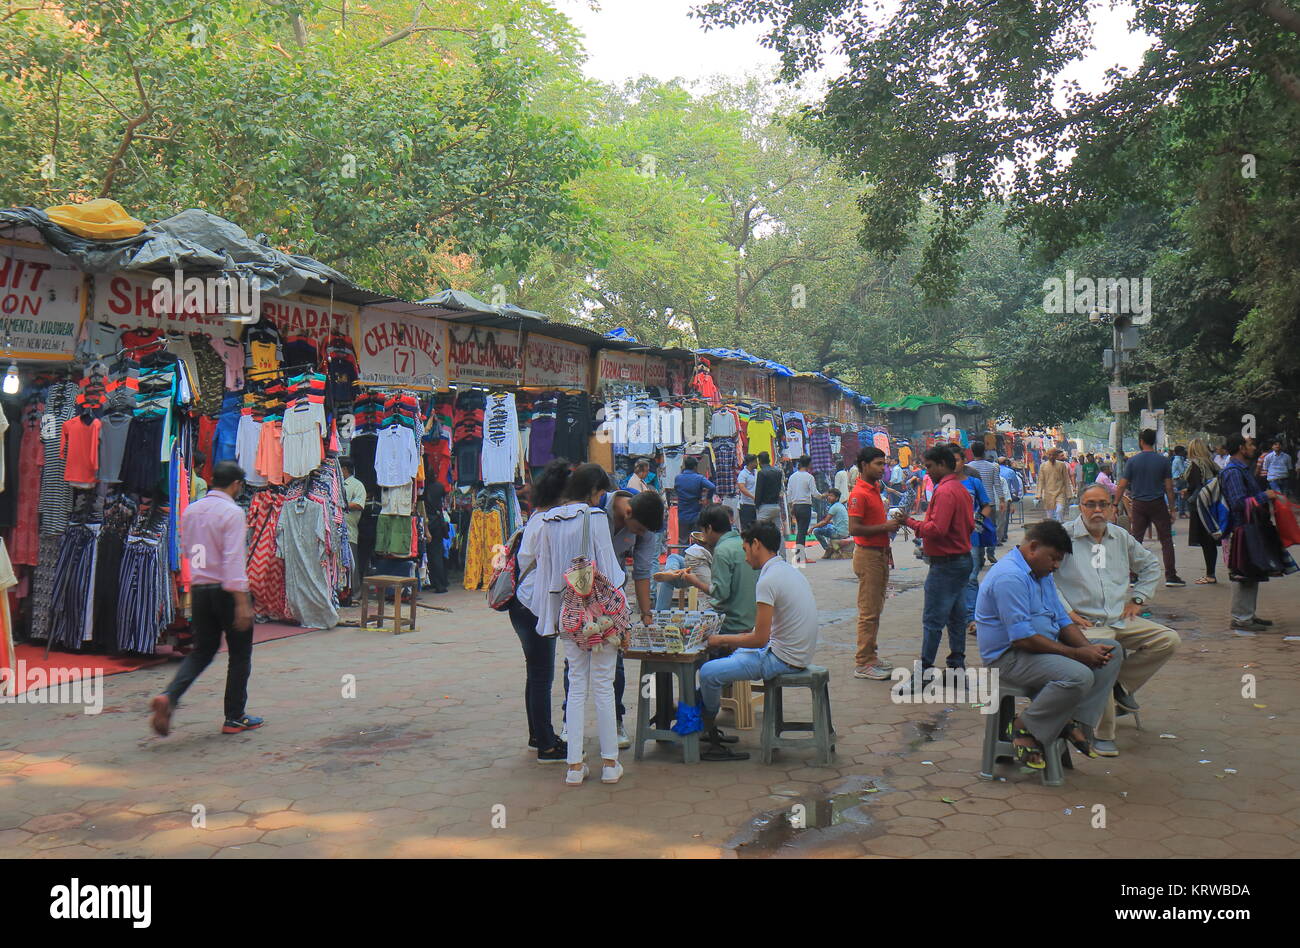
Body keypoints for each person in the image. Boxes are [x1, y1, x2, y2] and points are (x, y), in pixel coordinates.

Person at [974, 520, 1124, 768]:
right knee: (1079, 675)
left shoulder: (1040, 573)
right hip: (1009, 658)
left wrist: (1087, 649)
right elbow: (1023, 638)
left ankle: (1072, 721)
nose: (1055, 566)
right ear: (1033, 547)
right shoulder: (1010, 577)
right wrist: (1078, 654)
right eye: (1053, 559)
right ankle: (1024, 726)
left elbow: (1062, 620)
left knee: (1111, 652)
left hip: (1038, 649)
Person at [1053, 484, 1181, 757]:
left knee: (1168, 639)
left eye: (1103, 504)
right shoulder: (1063, 537)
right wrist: (1065, 611)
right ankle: (1103, 735)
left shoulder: (1120, 536)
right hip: (1085, 625)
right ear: (1080, 507)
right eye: (1091, 504)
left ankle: (1121, 687)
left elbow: (1150, 566)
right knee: (1105, 656)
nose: (1097, 510)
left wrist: (1138, 599)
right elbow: (1043, 578)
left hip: (1119, 619)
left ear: (1113, 507)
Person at [523, 462, 628, 786]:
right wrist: (620, 615)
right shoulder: (594, 518)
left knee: (577, 685)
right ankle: (610, 763)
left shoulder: (548, 520)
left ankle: (574, 766)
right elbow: (611, 572)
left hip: (568, 615)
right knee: (603, 686)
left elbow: (547, 574)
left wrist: (549, 618)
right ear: (595, 492)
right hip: (600, 617)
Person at [150, 462, 261, 736]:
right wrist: (241, 601)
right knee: (240, 653)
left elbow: (189, 551)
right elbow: (233, 559)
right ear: (236, 484)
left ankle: (170, 696)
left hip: (200, 588)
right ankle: (234, 716)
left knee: (202, 651)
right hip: (226, 589)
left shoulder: (192, 510)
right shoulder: (232, 513)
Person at [696, 522, 819, 762]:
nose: (744, 557)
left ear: (756, 544)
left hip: (783, 659)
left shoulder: (768, 580)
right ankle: (706, 727)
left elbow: (759, 638)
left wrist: (719, 639)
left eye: (745, 549)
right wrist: (735, 641)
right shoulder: (786, 570)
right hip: (794, 652)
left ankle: (706, 728)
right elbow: (762, 633)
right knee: (735, 654)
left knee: (709, 672)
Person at [587, 484, 665, 747]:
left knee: (614, 656)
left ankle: (616, 721)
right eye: (639, 529)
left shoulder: (645, 527)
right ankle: (567, 722)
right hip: (583, 590)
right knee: (576, 660)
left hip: (613, 592)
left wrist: (646, 615)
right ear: (628, 511)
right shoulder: (596, 508)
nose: (640, 535)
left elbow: (642, 572)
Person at [510, 460, 571, 762]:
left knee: (535, 674)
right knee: (541, 676)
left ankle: (538, 735)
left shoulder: (538, 517)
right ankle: (546, 743)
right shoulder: (550, 523)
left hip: (523, 604)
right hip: (533, 606)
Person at [895, 445, 974, 675]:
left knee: (933, 620)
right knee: (956, 616)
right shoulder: (959, 488)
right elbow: (969, 525)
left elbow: (937, 529)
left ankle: (925, 670)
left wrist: (909, 522)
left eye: (929, 466)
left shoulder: (945, 491)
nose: (926, 472)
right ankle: (956, 665)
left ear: (941, 464)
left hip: (946, 563)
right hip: (959, 559)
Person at [847, 446, 901, 680]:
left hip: (879, 554)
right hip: (868, 555)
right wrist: (885, 527)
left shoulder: (875, 489)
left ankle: (871, 655)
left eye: (884, 464)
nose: (883, 469)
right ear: (864, 465)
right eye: (878, 464)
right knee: (868, 611)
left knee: (875, 608)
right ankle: (863, 662)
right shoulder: (859, 494)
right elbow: (854, 528)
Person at [1219, 433, 1281, 632]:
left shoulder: (1241, 470)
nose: (1253, 448)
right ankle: (1242, 618)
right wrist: (1265, 496)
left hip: (1249, 527)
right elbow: (1238, 502)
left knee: (1251, 571)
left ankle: (1247, 615)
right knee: (1243, 572)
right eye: (1250, 444)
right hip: (1242, 528)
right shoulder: (1234, 472)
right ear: (1240, 448)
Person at [1115, 428, 1185, 587]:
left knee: (1136, 540)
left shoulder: (1133, 461)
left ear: (1141, 441)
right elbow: (1169, 487)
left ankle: (1133, 576)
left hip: (1139, 504)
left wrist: (1114, 504)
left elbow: (1121, 486)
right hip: (1158, 503)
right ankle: (1171, 576)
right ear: (1154, 441)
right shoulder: (1163, 461)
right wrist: (1172, 508)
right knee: (1166, 540)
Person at [654, 503, 729, 610]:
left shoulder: (724, 544)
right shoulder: (726, 538)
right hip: (697, 561)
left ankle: (660, 612)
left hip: (702, 565)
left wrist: (696, 582)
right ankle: (672, 571)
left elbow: (715, 591)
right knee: (673, 559)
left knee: (669, 578)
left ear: (709, 528)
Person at [1184, 439, 1220, 584]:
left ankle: (1210, 575)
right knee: (1210, 539)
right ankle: (1211, 572)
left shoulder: (1195, 465)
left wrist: (1188, 494)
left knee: (1206, 541)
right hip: (1212, 503)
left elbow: (1195, 485)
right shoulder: (1211, 463)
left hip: (1201, 505)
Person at [967, 443, 1007, 564]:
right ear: (984, 452)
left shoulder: (968, 468)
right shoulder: (993, 467)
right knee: (991, 528)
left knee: (978, 528)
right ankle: (991, 553)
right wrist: (1002, 500)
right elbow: (997, 485)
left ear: (972, 452)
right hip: (989, 504)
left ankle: (980, 556)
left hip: (976, 505)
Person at [339, 458, 367, 605]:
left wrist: (342, 505)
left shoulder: (357, 485)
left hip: (349, 530)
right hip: (337, 530)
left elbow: (359, 504)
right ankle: (342, 593)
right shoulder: (336, 484)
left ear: (344, 469)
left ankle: (355, 593)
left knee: (352, 562)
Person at [673, 456, 715, 539]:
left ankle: (682, 552)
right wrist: (707, 499)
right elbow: (712, 487)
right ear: (695, 467)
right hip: (696, 513)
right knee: (697, 540)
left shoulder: (678, 478)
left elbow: (676, 490)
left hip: (682, 514)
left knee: (682, 540)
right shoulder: (699, 478)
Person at [786, 456, 817, 561]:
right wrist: (824, 495)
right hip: (805, 506)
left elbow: (789, 494)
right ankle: (800, 557)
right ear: (808, 464)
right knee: (802, 531)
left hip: (795, 506)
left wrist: (791, 507)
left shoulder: (792, 476)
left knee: (800, 530)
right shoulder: (809, 477)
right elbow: (815, 493)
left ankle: (800, 556)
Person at [423, 478, 449, 594]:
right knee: (437, 553)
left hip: (428, 522)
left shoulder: (423, 489)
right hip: (438, 522)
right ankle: (441, 582)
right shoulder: (439, 486)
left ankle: (436, 583)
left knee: (430, 554)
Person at [811, 488, 850, 559]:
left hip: (840, 533)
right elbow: (830, 521)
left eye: (831, 496)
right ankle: (833, 547)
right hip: (845, 532)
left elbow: (825, 522)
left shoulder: (834, 507)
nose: (829, 497)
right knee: (828, 526)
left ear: (837, 498)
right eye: (828, 495)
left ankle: (828, 549)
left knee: (816, 531)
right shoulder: (840, 505)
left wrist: (812, 528)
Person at [1037, 448, 1074, 521]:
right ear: (1047, 456)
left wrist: (1069, 494)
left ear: (1056, 456)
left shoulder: (1062, 465)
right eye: (1050, 455)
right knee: (1050, 516)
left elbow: (1066, 480)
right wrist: (1039, 494)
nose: (1051, 457)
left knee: (1059, 510)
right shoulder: (1043, 466)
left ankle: (1060, 526)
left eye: (1053, 455)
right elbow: (1040, 481)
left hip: (1060, 493)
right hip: (1048, 494)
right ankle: (1052, 529)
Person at [753, 451, 784, 527]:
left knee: (759, 530)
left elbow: (759, 491)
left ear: (760, 462)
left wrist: (756, 505)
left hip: (765, 506)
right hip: (776, 505)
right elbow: (779, 488)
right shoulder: (778, 472)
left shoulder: (761, 473)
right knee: (777, 532)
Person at [998, 456, 1021, 544]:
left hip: (992, 497)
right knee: (1005, 517)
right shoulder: (1010, 472)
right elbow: (1015, 485)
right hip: (1006, 496)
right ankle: (1003, 535)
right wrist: (1015, 493)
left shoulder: (994, 471)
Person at [737, 453, 759, 530]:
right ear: (750, 463)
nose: (757, 463)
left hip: (755, 505)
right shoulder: (743, 474)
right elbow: (742, 488)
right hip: (746, 505)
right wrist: (753, 497)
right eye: (755, 461)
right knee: (747, 528)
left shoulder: (756, 472)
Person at [1169, 446, 1189, 517]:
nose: (1185, 452)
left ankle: (1180, 510)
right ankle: (1181, 513)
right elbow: (1182, 471)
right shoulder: (1178, 460)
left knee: (1179, 496)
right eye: (1184, 451)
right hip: (1179, 480)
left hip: (1178, 479)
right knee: (1182, 496)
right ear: (1180, 452)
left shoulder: (1179, 459)